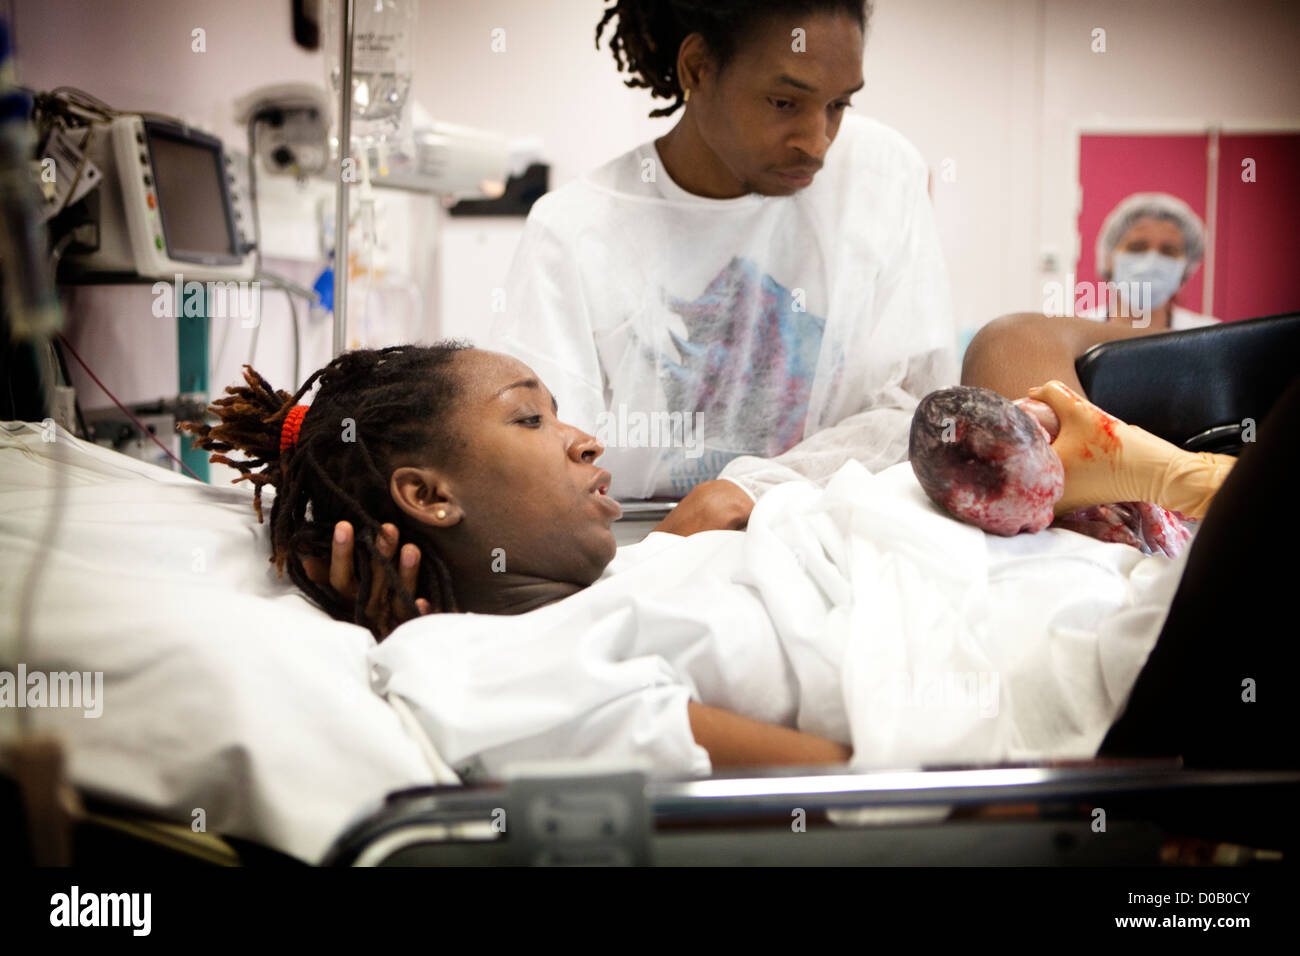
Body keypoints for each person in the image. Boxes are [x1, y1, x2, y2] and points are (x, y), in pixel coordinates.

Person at [181, 343, 1295, 773]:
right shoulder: (457, 664)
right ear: (427, 495)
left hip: (1130, 594)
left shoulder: (660, 563)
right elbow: (832, 785)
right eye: (529, 420)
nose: (582, 437)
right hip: (1116, 685)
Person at [489, 0, 956, 534]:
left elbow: (915, 414)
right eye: (784, 102)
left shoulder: (880, 179)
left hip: (830, 539)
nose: (817, 142)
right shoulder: (575, 231)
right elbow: (533, 464)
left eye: (838, 105)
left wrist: (751, 491)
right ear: (697, 68)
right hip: (639, 554)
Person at [1085, 192, 1221, 332]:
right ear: (1109, 259)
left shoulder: (1211, 337)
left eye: (1168, 251)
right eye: (1137, 247)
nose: (1151, 261)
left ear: (1185, 269)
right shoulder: (1072, 335)